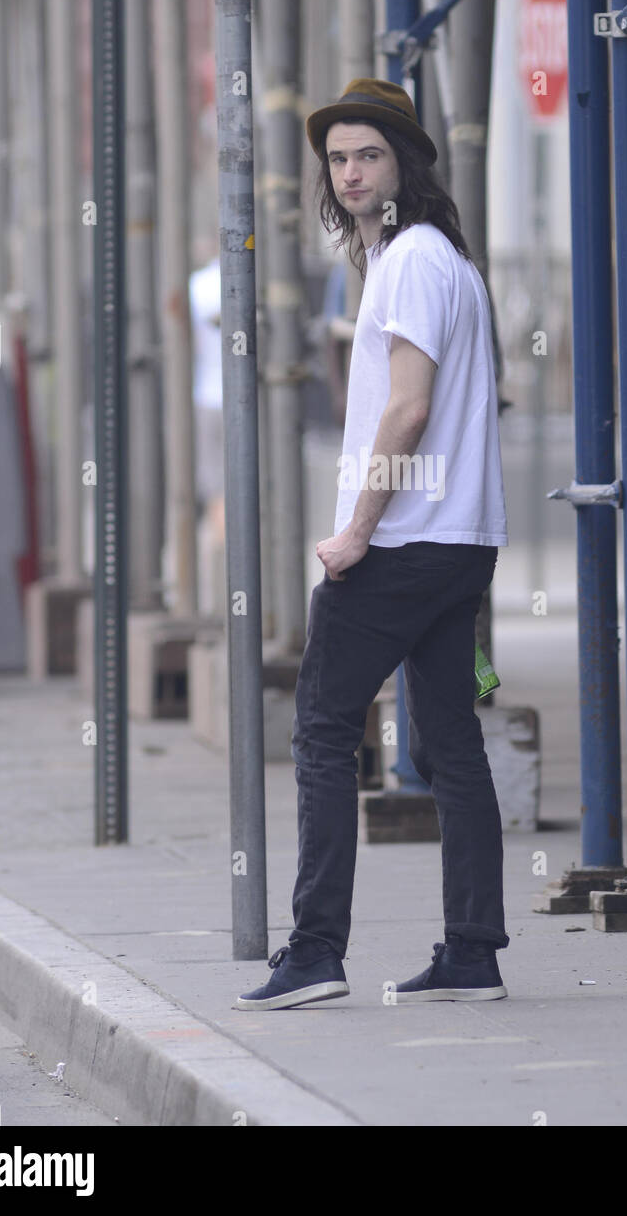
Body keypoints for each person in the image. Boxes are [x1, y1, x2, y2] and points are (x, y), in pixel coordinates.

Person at [234, 78, 510, 1011]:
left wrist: (357, 529)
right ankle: (473, 953)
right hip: (458, 540)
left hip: (403, 541)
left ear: (407, 163)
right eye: (339, 158)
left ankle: (314, 951)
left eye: (369, 155)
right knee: (449, 743)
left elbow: (409, 407)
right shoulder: (440, 261)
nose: (351, 173)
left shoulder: (412, 264)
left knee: (320, 732)